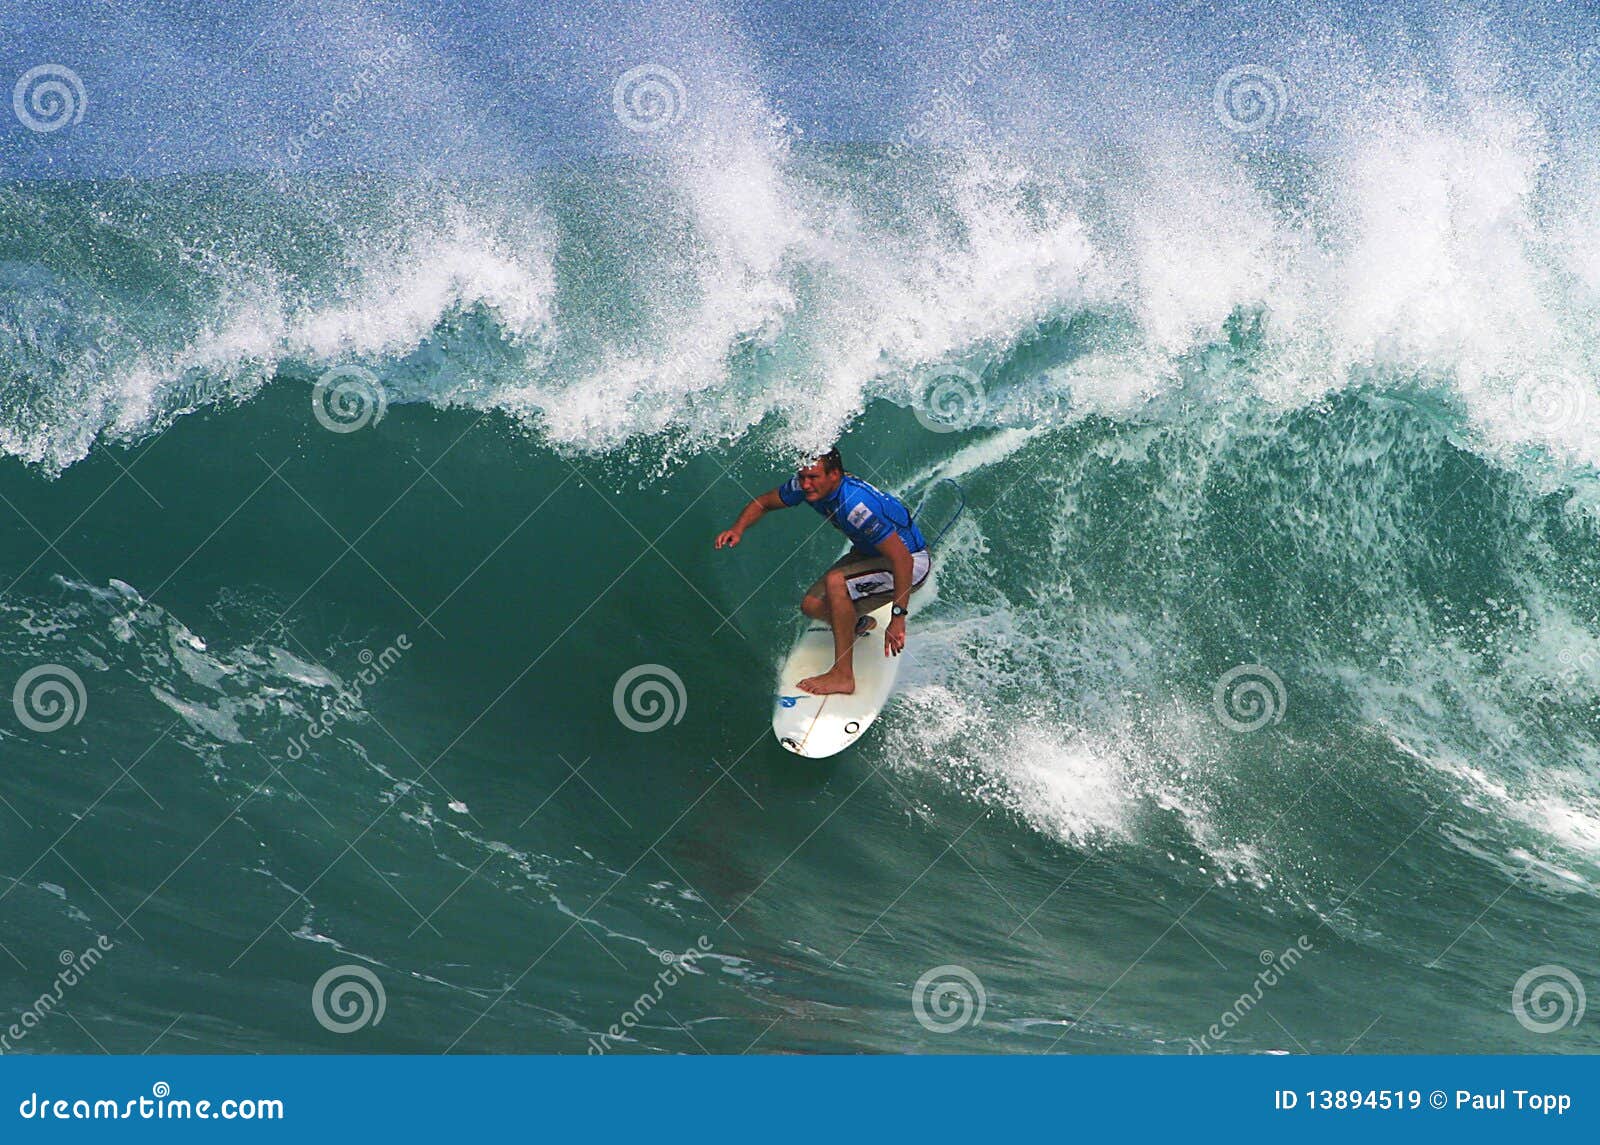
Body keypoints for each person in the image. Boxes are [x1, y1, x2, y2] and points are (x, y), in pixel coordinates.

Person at [714, 448, 930, 695]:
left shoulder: (855, 506)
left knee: (836, 582)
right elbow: (764, 503)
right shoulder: (808, 486)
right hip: (872, 554)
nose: (806, 485)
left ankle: (842, 676)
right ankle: (857, 623)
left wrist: (898, 617)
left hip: (911, 562)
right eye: (802, 477)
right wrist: (738, 529)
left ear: (834, 475)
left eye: (813, 478)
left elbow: (902, 560)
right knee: (811, 604)